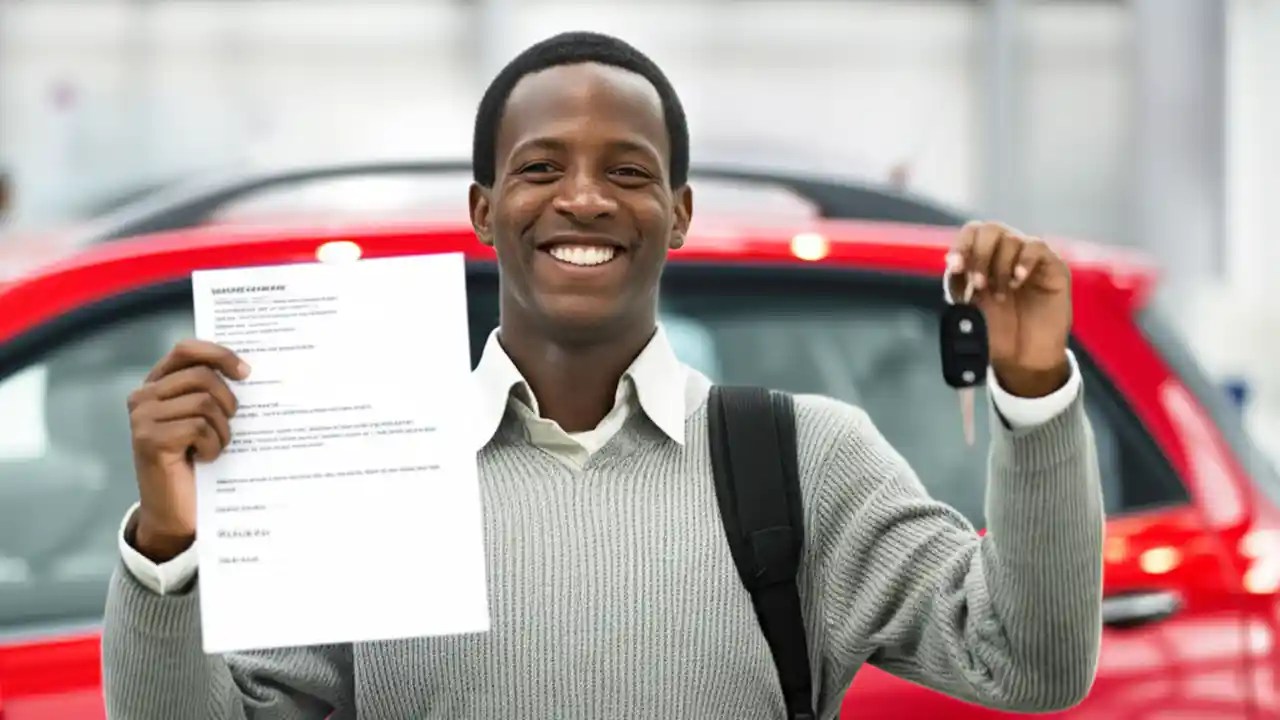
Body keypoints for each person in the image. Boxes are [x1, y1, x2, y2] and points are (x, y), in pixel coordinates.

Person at [101, 31, 1103, 719]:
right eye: (540, 169)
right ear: (485, 210)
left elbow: (1030, 664)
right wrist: (167, 542)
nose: (581, 199)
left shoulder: (807, 461)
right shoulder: (374, 473)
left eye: (625, 172)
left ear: (677, 212)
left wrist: (1031, 391)